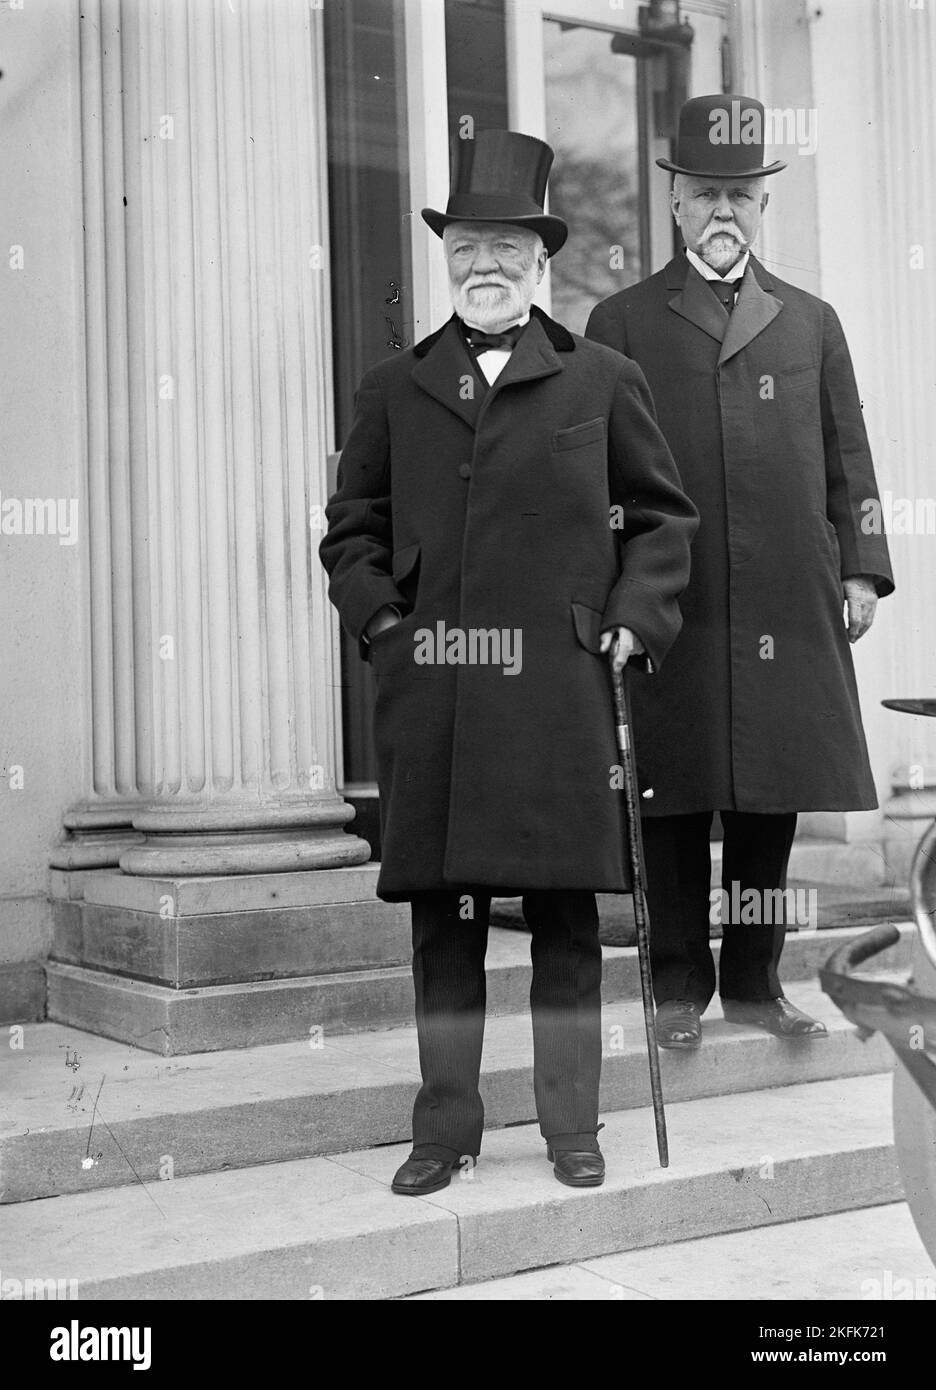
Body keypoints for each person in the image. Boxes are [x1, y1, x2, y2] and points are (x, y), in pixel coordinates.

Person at [320, 130, 697, 1194]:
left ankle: (572, 1126)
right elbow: (351, 527)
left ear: (543, 264)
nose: (484, 268)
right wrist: (384, 624)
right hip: (434, 698)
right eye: (467, 249)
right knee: (448, 929)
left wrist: (636, 616)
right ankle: (443, 1130)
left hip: (560, 700)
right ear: (449, 261)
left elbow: (665, 522)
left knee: (568, 923)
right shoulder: (394, 388)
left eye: (506, 250)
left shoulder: (603, 380)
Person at [586, 95, 894, 1050]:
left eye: (742, 195)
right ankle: (677, 987)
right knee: (670, 797)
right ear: (675, 203)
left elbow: (849, 454)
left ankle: (757, 986)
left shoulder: (812, 321)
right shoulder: (623, 319)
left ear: (764, 205)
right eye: (706, 193)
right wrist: (612, 589)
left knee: (769, 798)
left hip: (787, 592)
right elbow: (598, 467)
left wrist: (863, 571)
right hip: (673, 595)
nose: (725, 212)